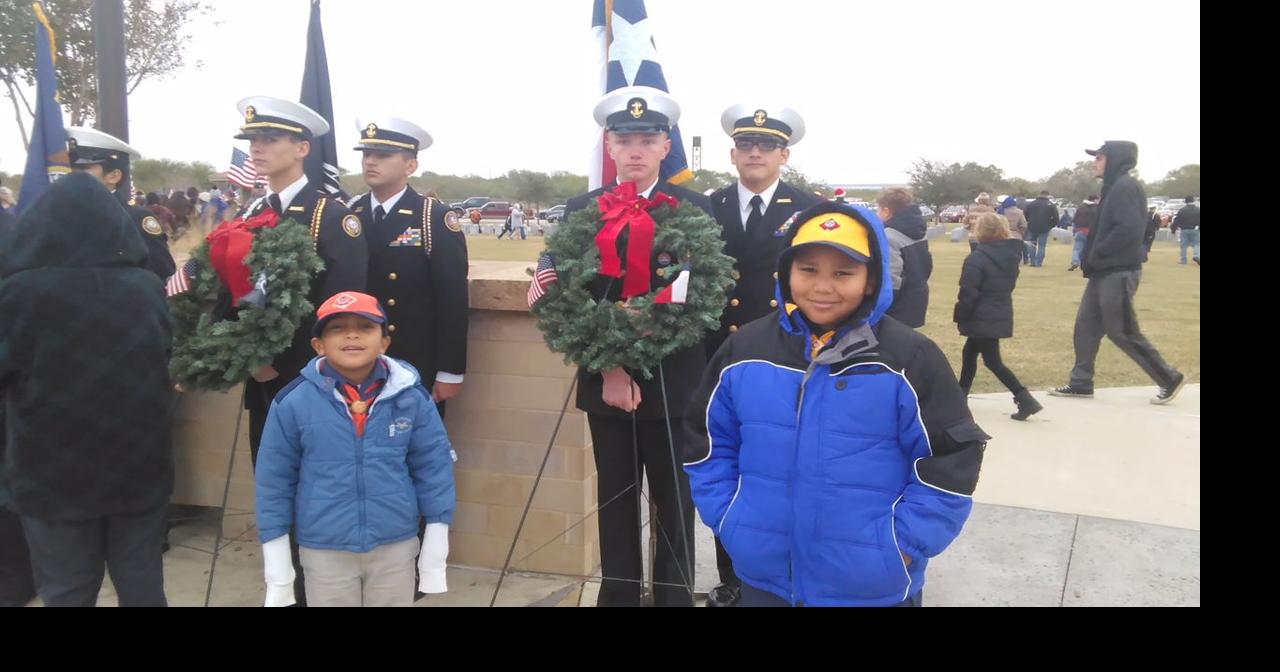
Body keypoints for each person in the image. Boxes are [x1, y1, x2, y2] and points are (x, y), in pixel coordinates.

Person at [683, 201, 988, 607]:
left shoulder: (909, 358)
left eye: (843, 273)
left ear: (871, 278)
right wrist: (730, 518)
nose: (823, 287)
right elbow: (707, 441)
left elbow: (950, 459)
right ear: (786, 272)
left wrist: (903, 544)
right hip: (764, 581)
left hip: (871, 587)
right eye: (808, 270)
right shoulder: (745, 348)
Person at [560, 85, 715, 607]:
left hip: (673, 383)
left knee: (674, 503)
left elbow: (701, 298)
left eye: (647, 139)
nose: (635, 150)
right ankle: (619, 597)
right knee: (617, 499)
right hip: (605, 385)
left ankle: (673, 598)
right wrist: (609, 368)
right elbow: (567, 298)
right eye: (624, 139)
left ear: (665, 145)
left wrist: (640, 354)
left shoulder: (695, 210)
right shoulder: (582, 210)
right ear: (608, 145)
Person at [0, 172, 174, 607]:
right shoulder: (146, 289)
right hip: (139, 468)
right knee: (143, 586)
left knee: (67, 590)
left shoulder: (17, 294)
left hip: (51, 475)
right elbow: (165, 356)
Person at [255, 291, 456, 607]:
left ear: (384, 342)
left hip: (395, 542)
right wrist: (277, 561)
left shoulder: (411, 398)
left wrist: (436, 535)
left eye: (365, 326)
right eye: (337, 328)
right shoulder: (292, 403)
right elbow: (273, 482)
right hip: (324, 547)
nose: (352, 334)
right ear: (318, 345)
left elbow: (434, 468)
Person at [1049, 141, 1186, 405]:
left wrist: (1097, 254)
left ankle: (1168, 377)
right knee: (1086, 327)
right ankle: (1081, 382)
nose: (1094, 162)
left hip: (1119, 271)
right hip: (1103, 272)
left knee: (1121, 330)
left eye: (1099, 158)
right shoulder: (1112, 187)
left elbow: (1127, 230)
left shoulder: (1125, 187)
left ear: (1114, 160)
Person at [955, 213, 1042, 420]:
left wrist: (961, 314)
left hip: (980, 314)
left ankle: (1025, 398)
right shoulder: (1010, 256)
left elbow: (969, 290)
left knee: (993, 361)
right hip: (997, 310)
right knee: (969, 353)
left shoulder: (978, 258)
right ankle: (960, 397)